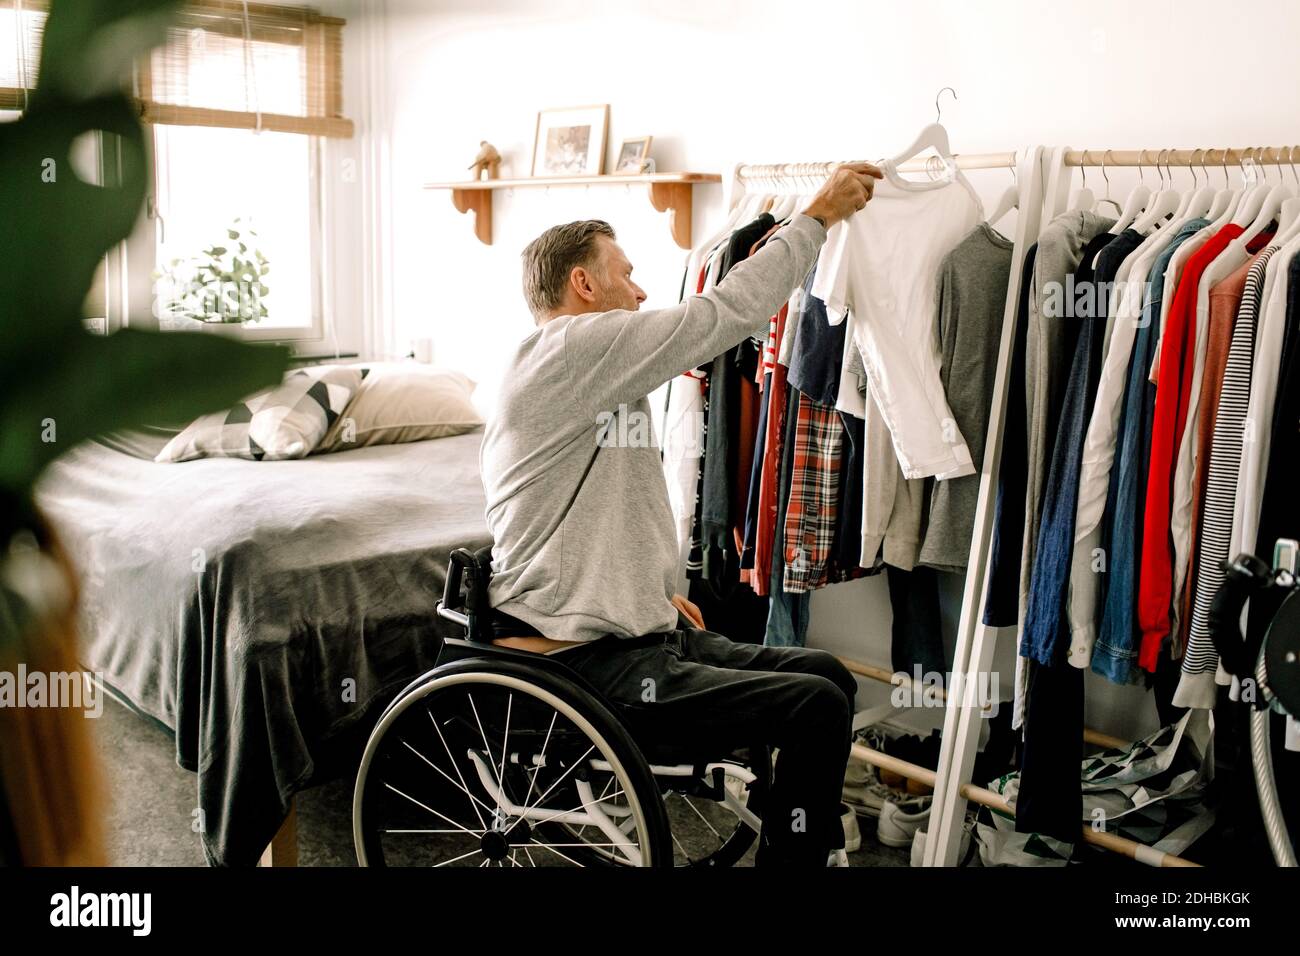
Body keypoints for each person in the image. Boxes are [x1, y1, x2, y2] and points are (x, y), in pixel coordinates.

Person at [479, 163, 883, 866]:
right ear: (583, 284)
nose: (640, 290)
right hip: (583, 662)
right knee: (815, 706)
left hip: (632, 634)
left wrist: (660, 589)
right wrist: (814, 219)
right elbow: (724, 315)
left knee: (829, 675)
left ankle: (786, 824)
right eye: (626, 273)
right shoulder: (574, 348)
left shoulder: (579, 362)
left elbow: (618, 502)